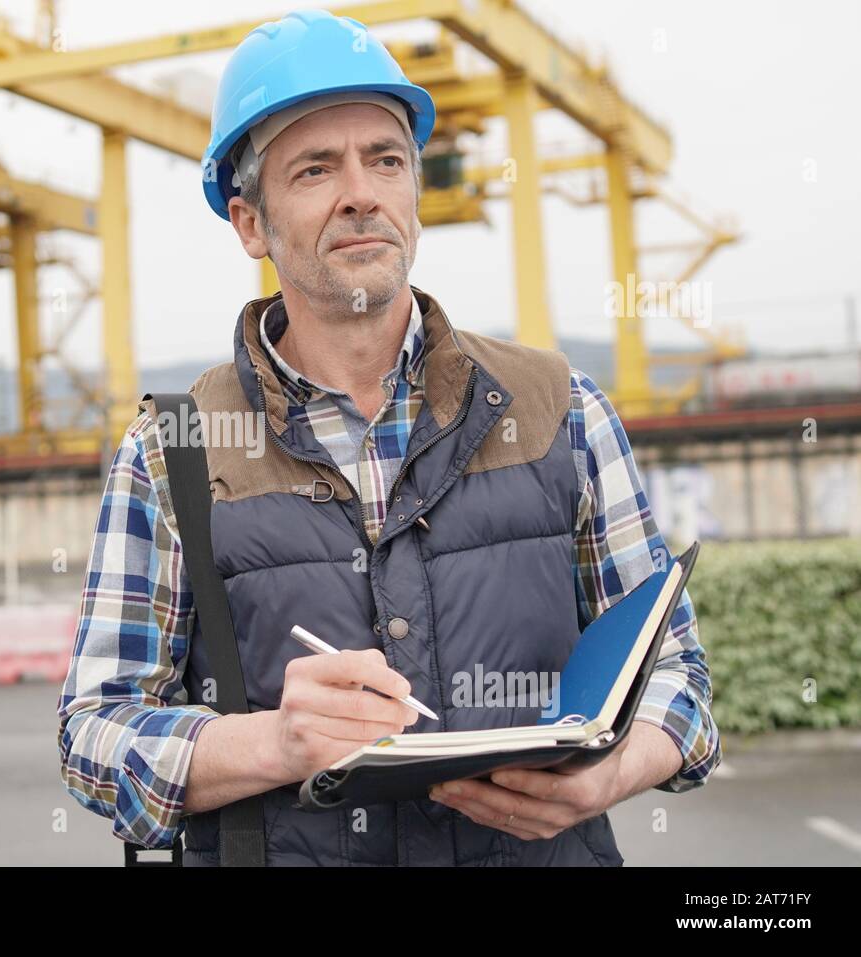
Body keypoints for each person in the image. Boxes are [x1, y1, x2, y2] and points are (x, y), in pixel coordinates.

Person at [57, 8, 720, 866]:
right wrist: (276, 744)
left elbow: (683, 682)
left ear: (414, 191)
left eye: (386, 159)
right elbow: (94, 732)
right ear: (250, 222)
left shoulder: (563, 409)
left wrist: (616, 769)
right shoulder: (172, 452)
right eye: (315, 168)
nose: (360, 190)